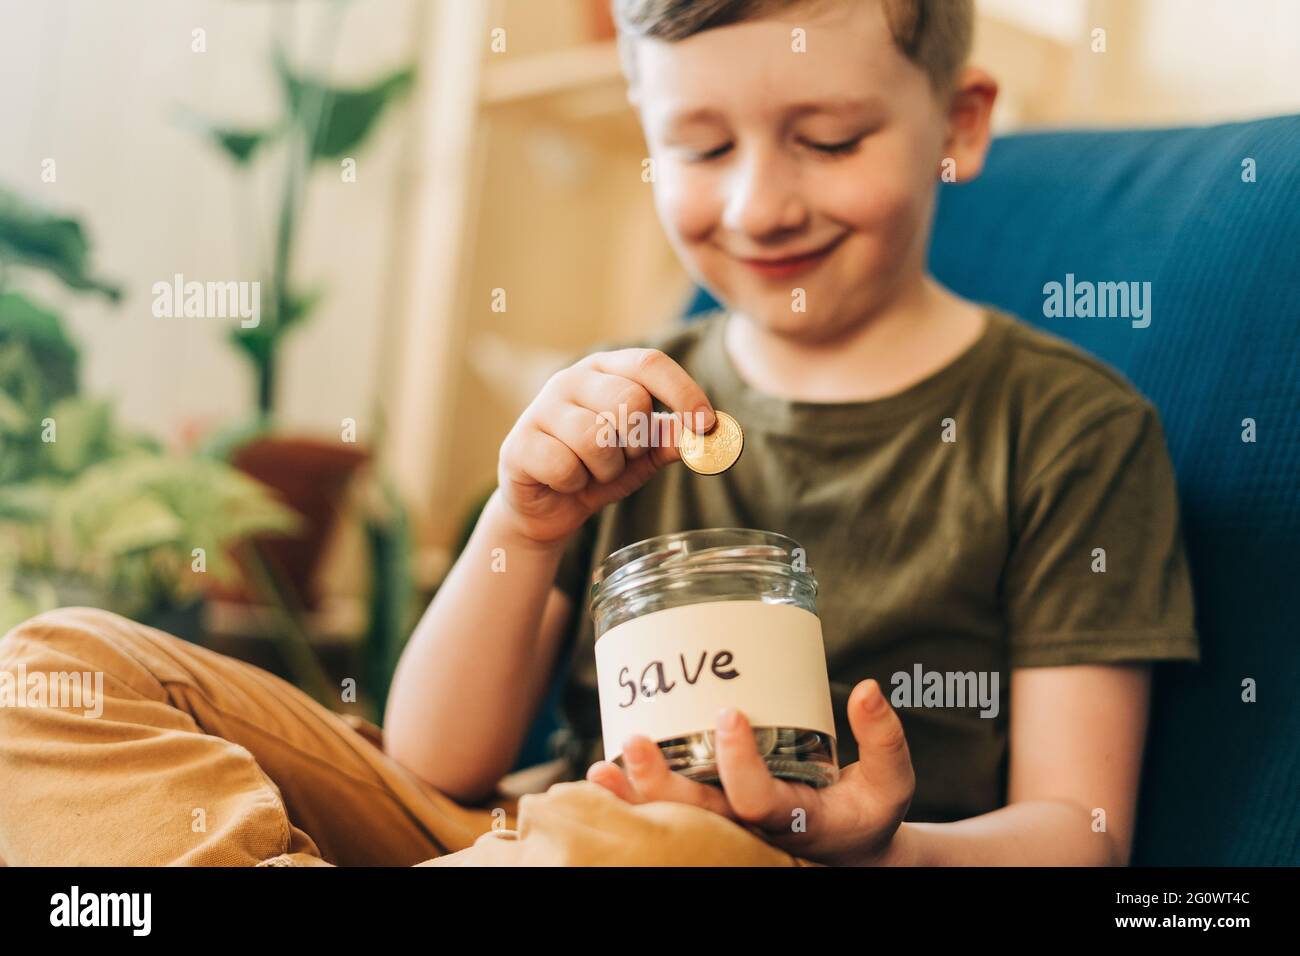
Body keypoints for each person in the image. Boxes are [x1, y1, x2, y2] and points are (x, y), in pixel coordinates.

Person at [0, 0, 1197, 867]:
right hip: (504, 829)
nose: (757, 203)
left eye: (828, 139)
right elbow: (435, 761)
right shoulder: (626, 404)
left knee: (647, 841)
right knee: (55, 672)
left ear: (960, 123)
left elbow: (1077, 835)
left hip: (741, 859)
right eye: (700, 147)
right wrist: (523, 523)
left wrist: (871, 846)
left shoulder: (1068, 427)